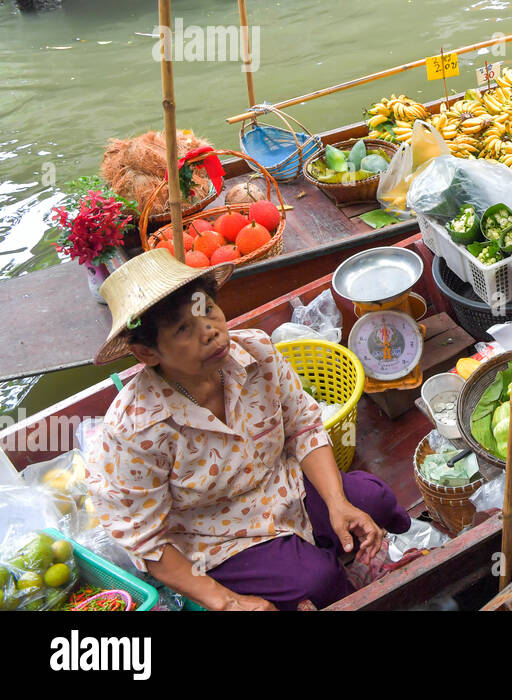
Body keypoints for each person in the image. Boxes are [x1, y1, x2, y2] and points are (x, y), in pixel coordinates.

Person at [84, 249, 411, 611]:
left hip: (283, 487)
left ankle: (343, 562)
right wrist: (226, 601)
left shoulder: (257, 351)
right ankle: (329, 577)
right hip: (218, 535)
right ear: (147, 354)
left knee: (373, 501)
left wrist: (338, 503)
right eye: (182, 329)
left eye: (206, 309)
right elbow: (144, 539)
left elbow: (303, 426)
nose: (210, 331)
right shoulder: (135, 428)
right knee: (318, 580)